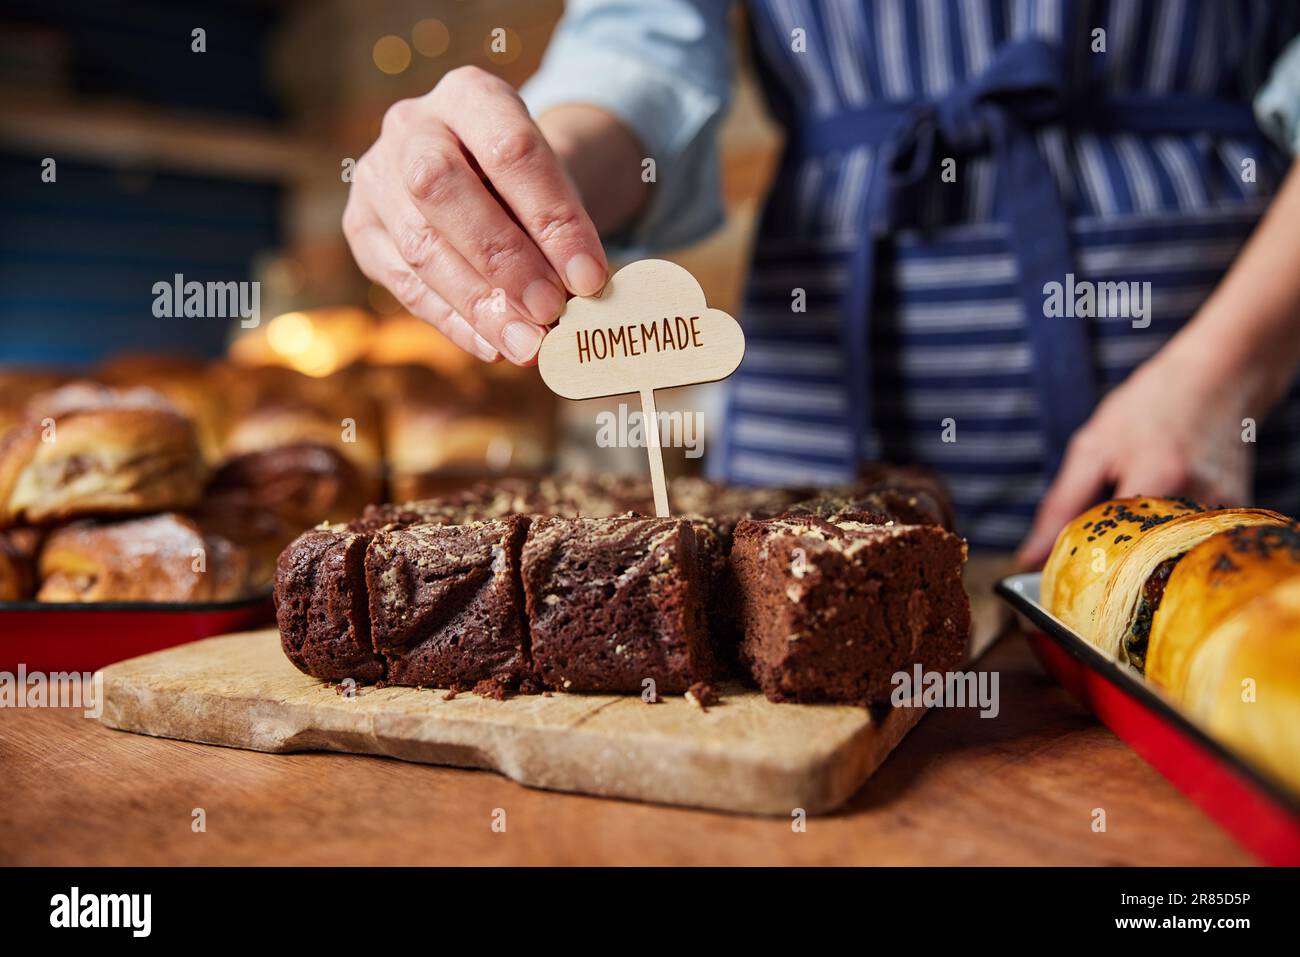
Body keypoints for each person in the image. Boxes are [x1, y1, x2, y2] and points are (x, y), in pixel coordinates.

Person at [342, 0, 1300, 563]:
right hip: (819, 388)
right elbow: (642, 42)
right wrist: (527, 168)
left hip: (1241, 372)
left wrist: (1227, 373)